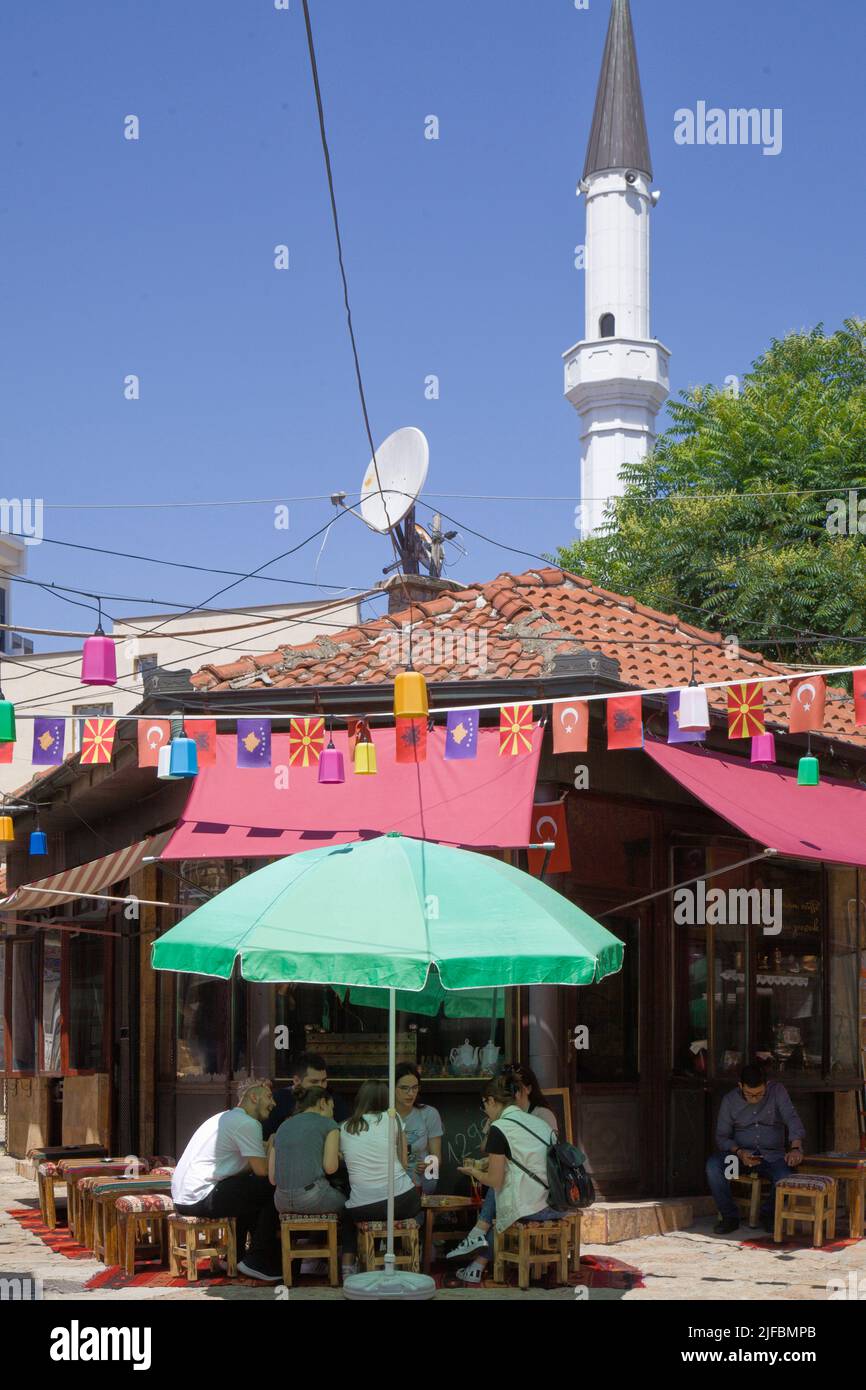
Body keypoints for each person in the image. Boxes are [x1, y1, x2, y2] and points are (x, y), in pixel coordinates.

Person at [453, 1073, 563, 1286]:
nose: (485, 1110)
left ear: (491, 1100)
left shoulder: (500, 1128)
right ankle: (478, 1248)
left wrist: (474, 1172)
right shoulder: (539, 1122)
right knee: (505, 1190)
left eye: (484, 1105)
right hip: (559, 1202)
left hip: (536, 1208)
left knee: (501, 1191)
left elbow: (494, 1180)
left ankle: (478, 1241)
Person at [171, 1078, 282, 1282]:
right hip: (201, 1196)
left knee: (248, 1190)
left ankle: (236, 1256)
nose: (274, 1103)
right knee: (272, 1187)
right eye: (269, 1097)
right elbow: (262, 1170)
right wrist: (273, 1144)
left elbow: (240, 1166)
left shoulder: (222, 1117)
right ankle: (257, 1260)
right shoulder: (248, 1123)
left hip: (183, 1198)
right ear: (253, 1097)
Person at [707, 1062, 806, 1234]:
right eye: (749, 1094)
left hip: (772, 1156)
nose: (754, 1098)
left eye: (759, 1094)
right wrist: (739, 1152)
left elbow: (792, 1118)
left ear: (766, 1085)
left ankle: (768, 1214)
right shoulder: (730, 1100)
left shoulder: (777, 1091)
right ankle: (729, 1217)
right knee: (714, 1166)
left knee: (784, 1176)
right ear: (740, 1086)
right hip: (740, 1157)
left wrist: (796, 1147)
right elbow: (722, 1137)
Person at [339, 1079, 421, 1277]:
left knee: (346, 1212)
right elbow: (403, 1162)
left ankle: (348, 1265)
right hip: (402, 1201)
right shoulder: (394, 1119)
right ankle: (399, 1260)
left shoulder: (345, 1127)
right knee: (404, 1211)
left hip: (363, 1207)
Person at [270, 1085, 346, 1217]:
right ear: (323, 1103)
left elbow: (272, 1179)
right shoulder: (329, 1124)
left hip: (280, 1201)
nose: (332, 1114)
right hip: (313, 1198)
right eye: (332, 1108)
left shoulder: (283, 1126)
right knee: (349, 1205)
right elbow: (330, 1168)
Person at [264, 1051, 349, 1139]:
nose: (321, 1086)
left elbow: (345, 1132)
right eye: (314, 1082)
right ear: (297, 1080)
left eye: (324, 1081)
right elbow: (267, 1135)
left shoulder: (333, 1099)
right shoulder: (279, 1099)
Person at [395, 1063, 444, 1195]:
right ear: (392, 1088)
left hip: (422, 1181)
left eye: (415, 1088)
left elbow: (437, 1158)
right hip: (392, 1182)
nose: (411, 1093)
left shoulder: (429, 1113)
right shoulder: (384, 1116)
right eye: (404, 1088)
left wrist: (429, 1164)